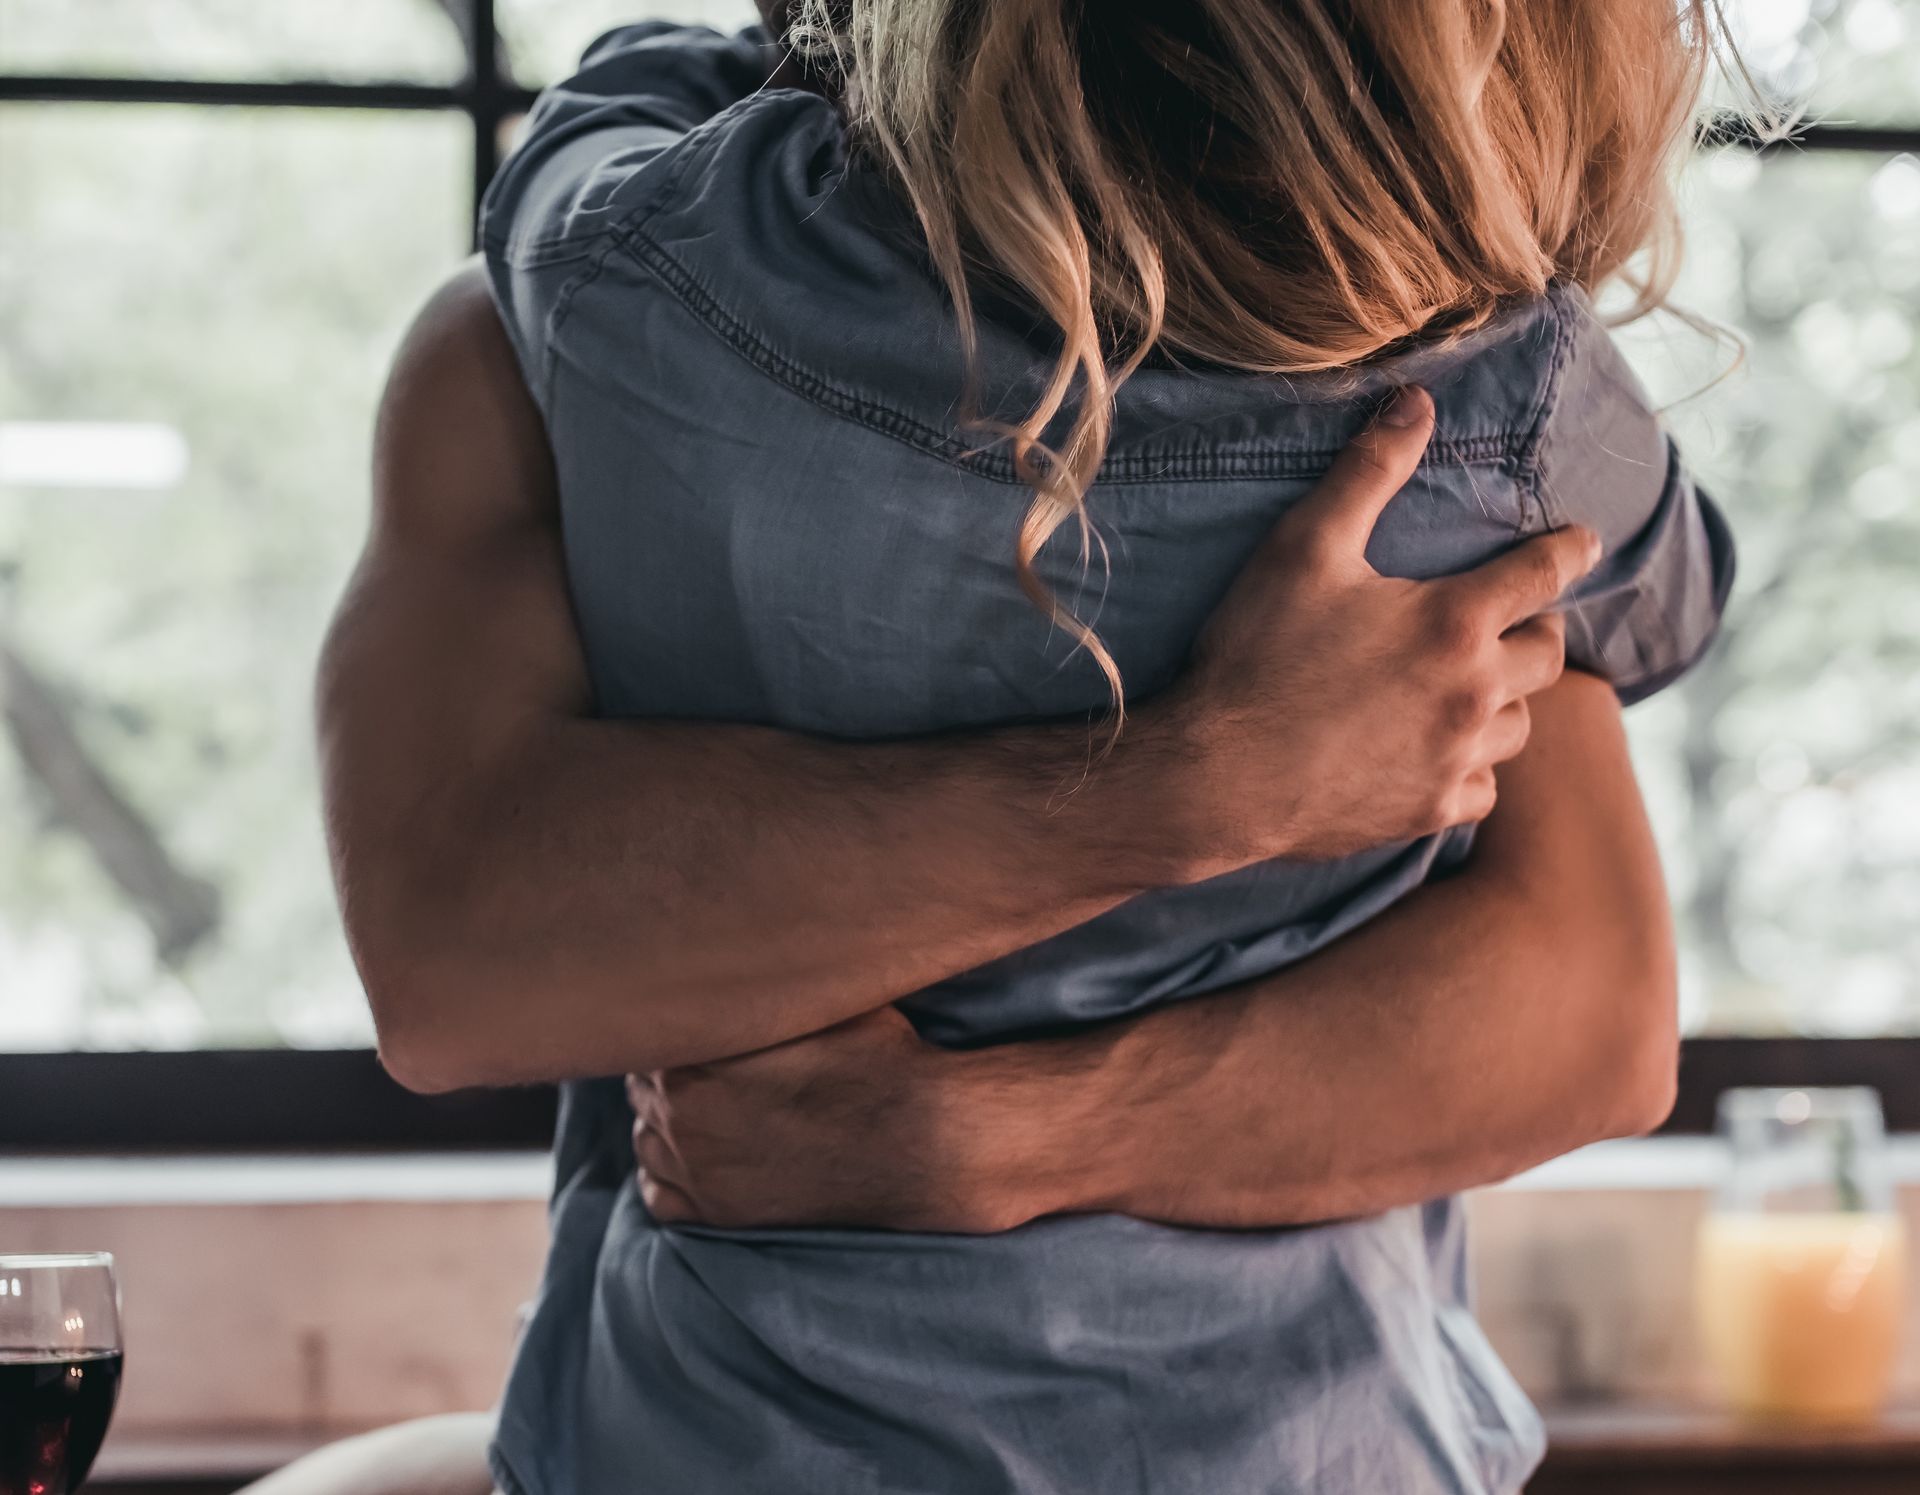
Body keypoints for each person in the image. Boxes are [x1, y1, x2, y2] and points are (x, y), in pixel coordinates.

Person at [287, 4, 1737, 1492]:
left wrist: (982, 1136)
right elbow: (1660, 694)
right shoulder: (1491, 420)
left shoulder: (611, 300)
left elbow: (451, 956)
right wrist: (1199, 785)